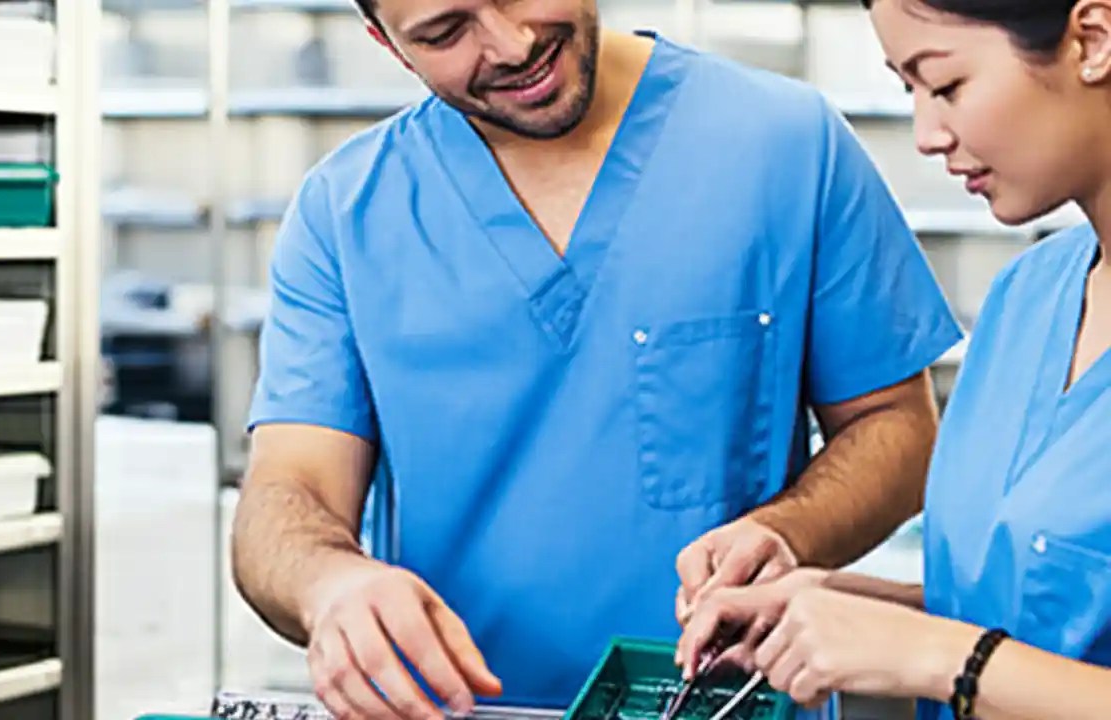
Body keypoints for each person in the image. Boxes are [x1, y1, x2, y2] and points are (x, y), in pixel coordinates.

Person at [228, 0, 964, 717]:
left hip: (726, 703)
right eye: (447, 31)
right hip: (458, 707)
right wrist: (329, 585)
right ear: (388, 45)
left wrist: (786, 531)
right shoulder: (344, 210)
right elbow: (286, 496)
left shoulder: (785, 144)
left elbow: (895, 429)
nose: (512, 43)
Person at [677, 0, 1111, 718]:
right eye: (906, 89)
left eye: (944, 86)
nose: (927, 135)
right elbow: (1038, 611)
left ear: (1092, 40)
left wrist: (933, 656)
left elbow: (973, 658)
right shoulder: (1028, 299)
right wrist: (848, 611)